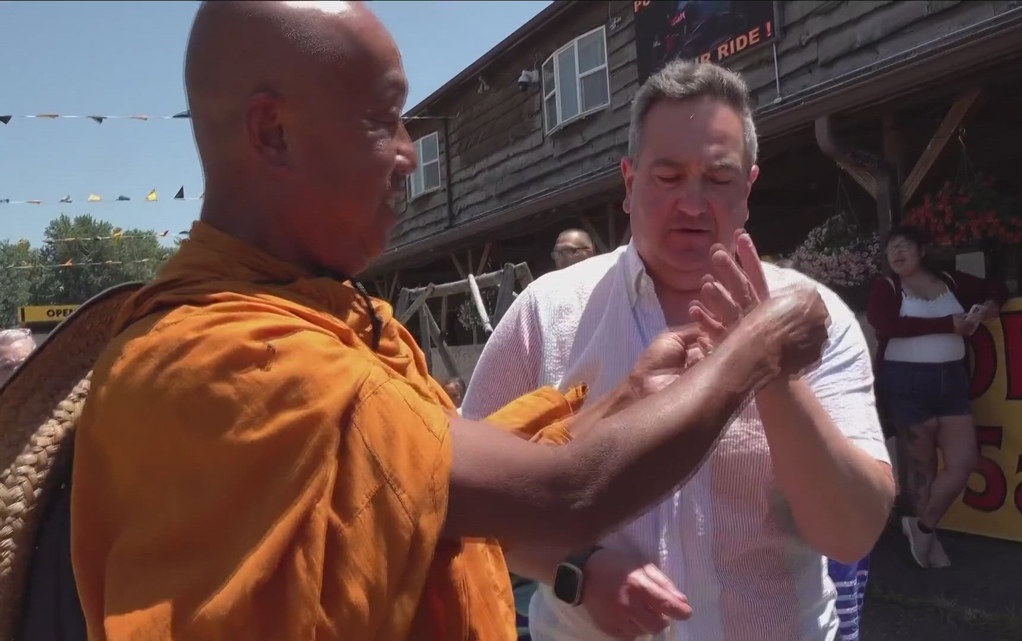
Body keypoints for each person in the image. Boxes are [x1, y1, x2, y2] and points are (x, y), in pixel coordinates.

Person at [67, 4, 831, 641]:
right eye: (382, 122)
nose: (408, 156)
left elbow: (440, 487)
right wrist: (756, 347)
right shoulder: (226, 356)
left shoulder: (329, 318)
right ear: (272, 132)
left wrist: (628, 398)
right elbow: (564, 494)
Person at [464, 60, 896, 641]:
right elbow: (467, 499)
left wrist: (770, 367)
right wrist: (577, 571)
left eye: (718, 179)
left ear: (748, 188)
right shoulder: (548, 312)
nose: (692, 204)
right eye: (668, 177)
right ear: (629, 183)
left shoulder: (814, 318)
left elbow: (851, 533)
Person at [867, 225, 1009, 569]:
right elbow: (883, 322)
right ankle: (927, 540)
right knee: (923, 467)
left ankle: (924, 527)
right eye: (892, 249)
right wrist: (947, 325)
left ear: (922, 251)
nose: (897, 253)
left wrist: (990, 306)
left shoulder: (951, 281)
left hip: (952, 380)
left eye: (905, 246)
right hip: (906, 383)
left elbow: (996, 287)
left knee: (964, 461)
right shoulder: (888, 287)